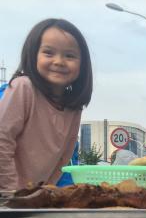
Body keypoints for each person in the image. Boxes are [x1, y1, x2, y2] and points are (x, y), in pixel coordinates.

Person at [0, 18, 93, 191]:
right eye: (48, 53)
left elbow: (63, 159)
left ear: (83, 64)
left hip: (29, 201)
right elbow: (2, 141)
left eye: (70, 55)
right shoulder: (23, 88)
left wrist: (42, 195)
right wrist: (12, 194)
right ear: (33, 54)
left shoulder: (73, 108)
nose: (59, 61)